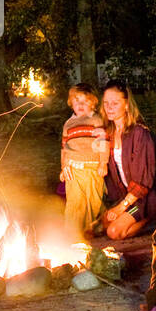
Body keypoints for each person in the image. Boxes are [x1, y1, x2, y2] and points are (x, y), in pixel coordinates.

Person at [100, 80, 156, 241]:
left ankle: (154, 216)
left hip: (146, 197)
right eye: (106, 103)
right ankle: (136, 215)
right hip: (128, 197)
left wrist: (121, 208)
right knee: (105, 222)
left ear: (126, 105)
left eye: (115, 103)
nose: (109, 107)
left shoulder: (140, 134)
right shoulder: (109, 133)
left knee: (114, 232)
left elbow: (143, 183)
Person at [60, 83, 109, 237]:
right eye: (76, 101)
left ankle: (92, 227)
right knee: (75, 201)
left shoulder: (96, 120)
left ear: (93, 103)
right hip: (74, 168)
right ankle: (73, 230)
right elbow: (64, 149)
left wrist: (103, 163)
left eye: (85, 101)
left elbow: (103, 143)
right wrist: (63, 168)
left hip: (93, 167)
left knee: (93, 199)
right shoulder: (68, 124)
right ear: (71, 104)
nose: (80, 105)